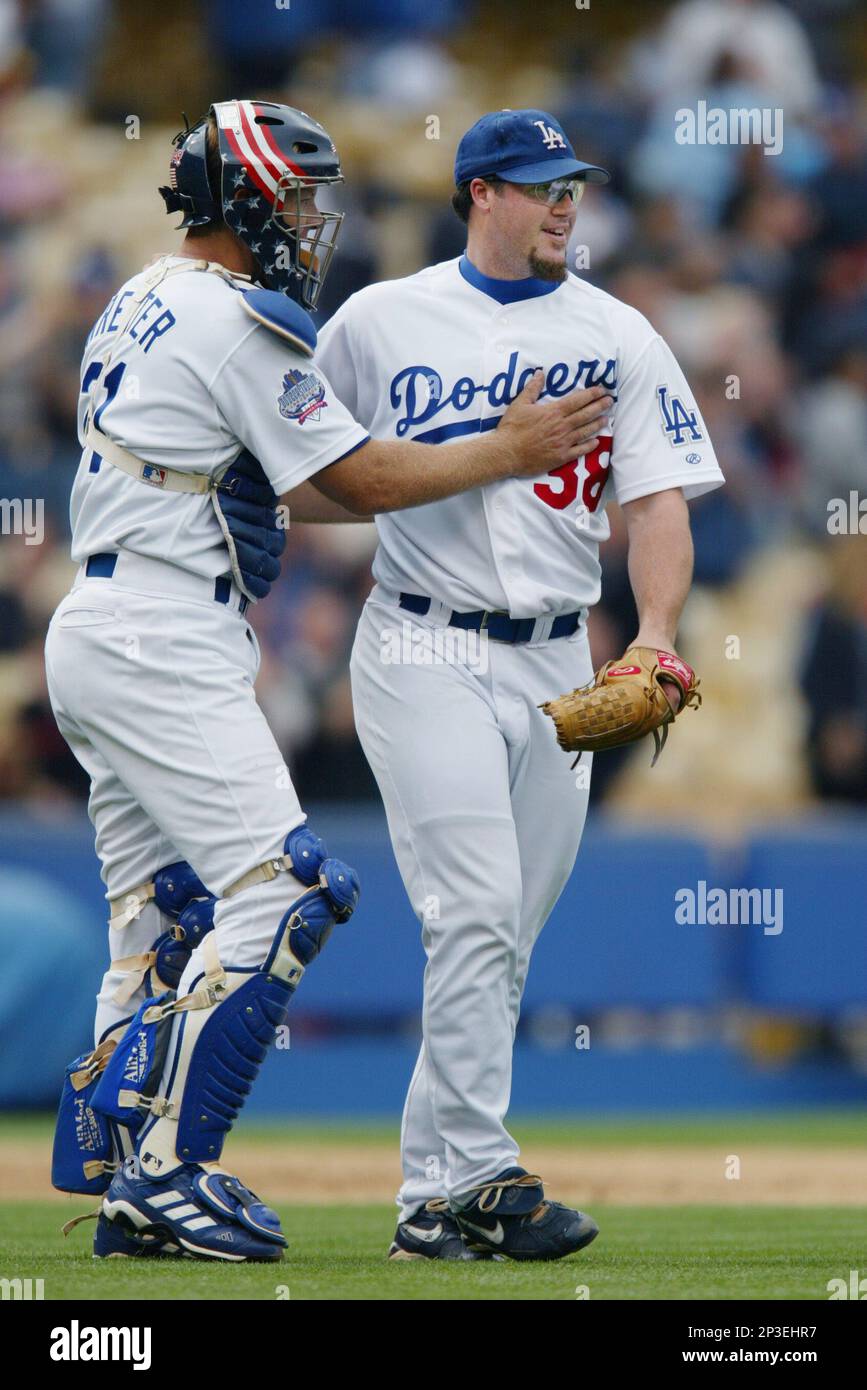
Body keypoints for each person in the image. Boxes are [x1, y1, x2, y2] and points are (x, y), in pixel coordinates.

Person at [45, 99, 608, 1263]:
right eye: (297, 198)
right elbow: (353, 481)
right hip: (164, 631)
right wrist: (509, 448)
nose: (312, 222)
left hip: (101, 621)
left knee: (159, 920)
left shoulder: (142, 292)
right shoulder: (241, 321)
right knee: (285, 892)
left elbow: (259, 473)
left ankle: (115, 1173)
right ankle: (166, 1172)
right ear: (248, 197)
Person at [316, 108, 725, 1261]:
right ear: (478, 192)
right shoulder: (380, 321)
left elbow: (656, 501)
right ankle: (482, 1173)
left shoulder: (618, 332)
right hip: (420, 642)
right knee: (478, 910)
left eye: (573, 183)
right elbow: (298, 473)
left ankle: (432, 1199)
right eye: (541, 183)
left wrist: (653, 632)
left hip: (560, 651)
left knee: (500, 936)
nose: (564, 203)